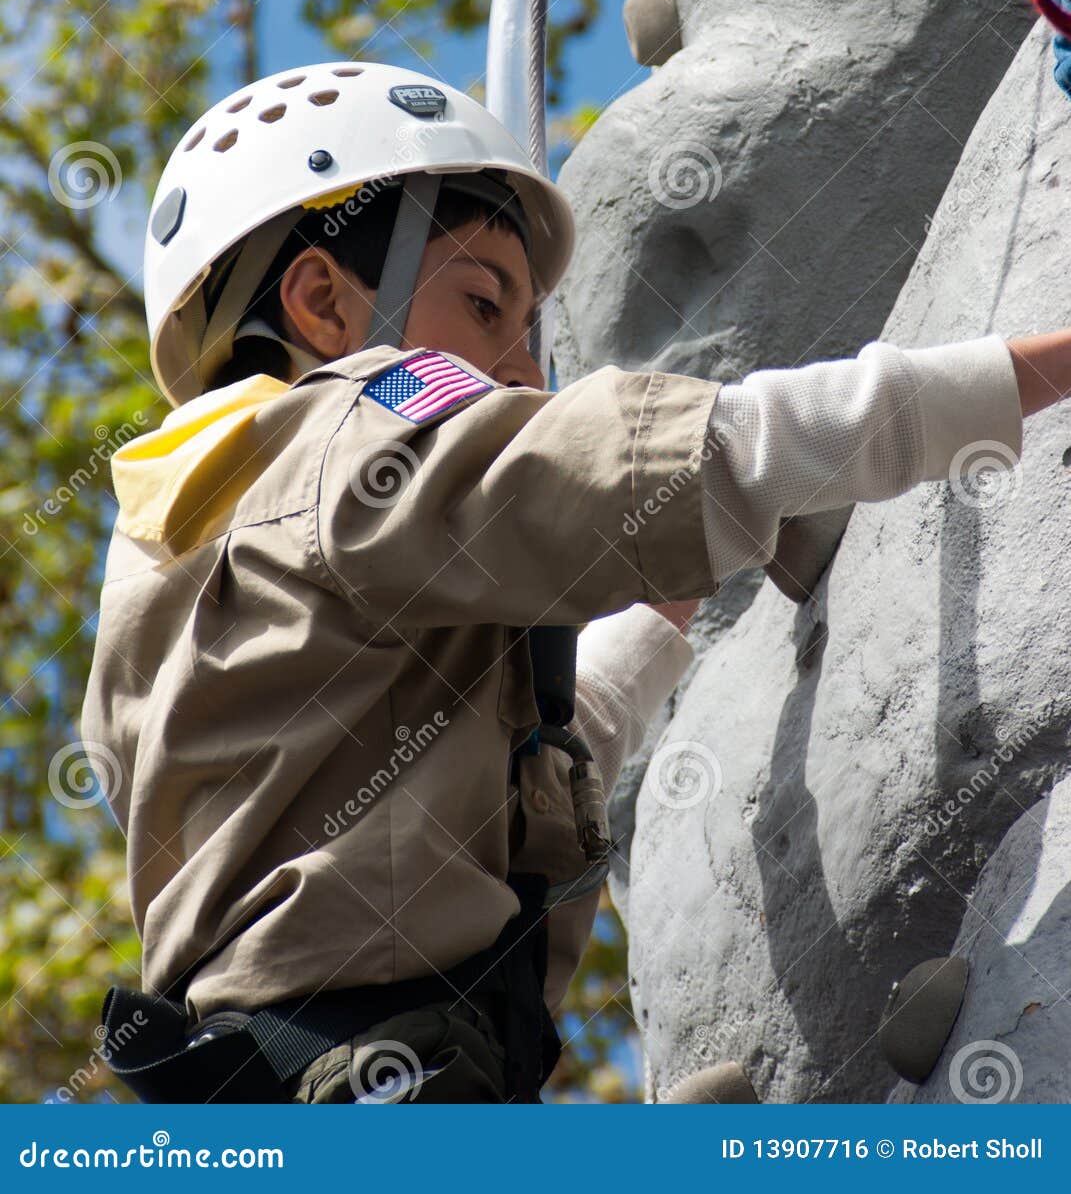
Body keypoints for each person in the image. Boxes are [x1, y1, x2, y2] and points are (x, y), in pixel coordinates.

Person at [80, 59, 1071, 1105]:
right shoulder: (346, 439)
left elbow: (501, 783)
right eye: (484, 302)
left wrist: (653, 612)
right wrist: (1040, 367)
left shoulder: (197, 551)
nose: (524, 372)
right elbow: (733, 443)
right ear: (325, 304)